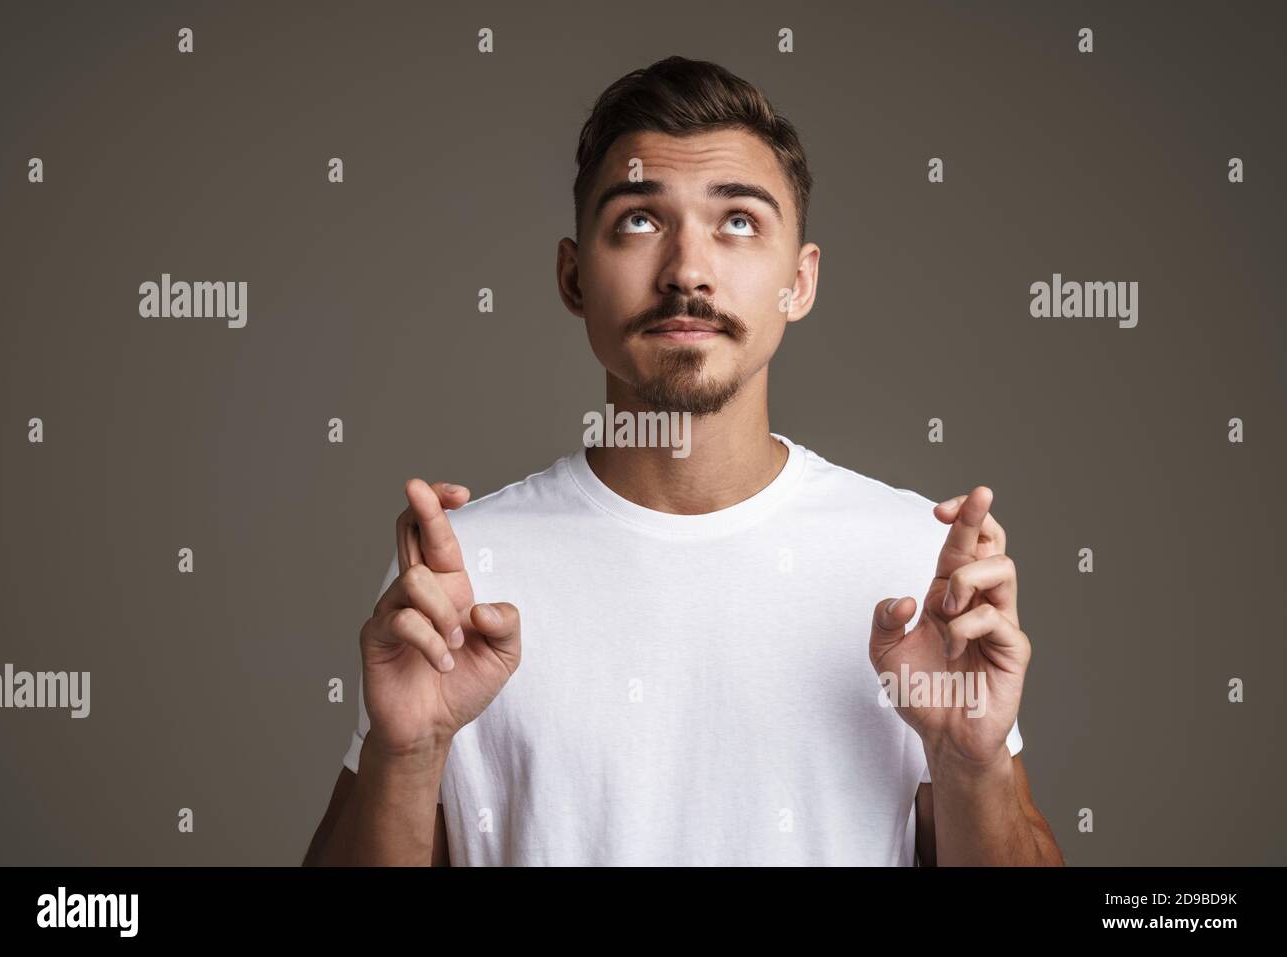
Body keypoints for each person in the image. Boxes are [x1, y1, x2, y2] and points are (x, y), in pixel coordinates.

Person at [303, 55, 1063, 866]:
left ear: (798, 282)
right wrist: (405, 757)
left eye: (738, 221)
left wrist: (972, 764)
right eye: (638, 220)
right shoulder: (461, 577)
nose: (687, 272)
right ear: (573, 277)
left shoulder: (914, 566)